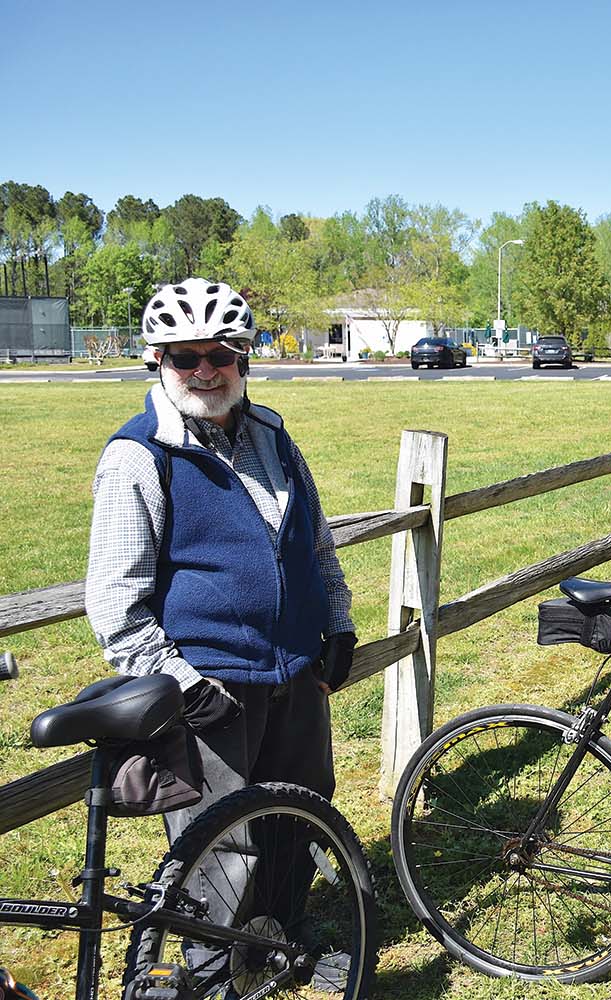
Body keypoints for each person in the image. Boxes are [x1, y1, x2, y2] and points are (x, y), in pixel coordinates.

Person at [84, 277, 356, 958]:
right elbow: (117, 605)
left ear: (244, 355)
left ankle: (285, 944)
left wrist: (340, 623)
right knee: (217, 845)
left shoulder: (271, 436)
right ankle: (212, 969)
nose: (203, 370)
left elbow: (314, 540)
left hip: (293, 669)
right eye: (183, 356)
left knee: (299, 813)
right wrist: (182, 685)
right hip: (209, 686)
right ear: (158, 360)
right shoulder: (138, 456)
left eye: (219, 353)